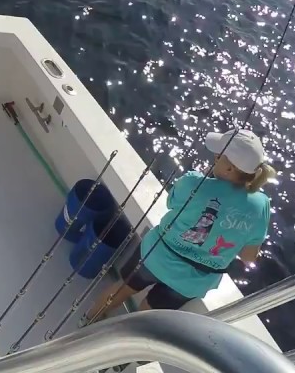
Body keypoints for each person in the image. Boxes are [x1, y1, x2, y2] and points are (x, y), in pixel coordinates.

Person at [87, 128, 275, 319]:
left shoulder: (194, 182)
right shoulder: (262, 205)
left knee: (123, 289)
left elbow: (171, 203)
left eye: (219, 156)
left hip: (155, 257)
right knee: (146, 315)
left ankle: (89, 319)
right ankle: (124, 336)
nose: (214, 158)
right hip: (191, 282)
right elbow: (248, 257)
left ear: (230, 169)